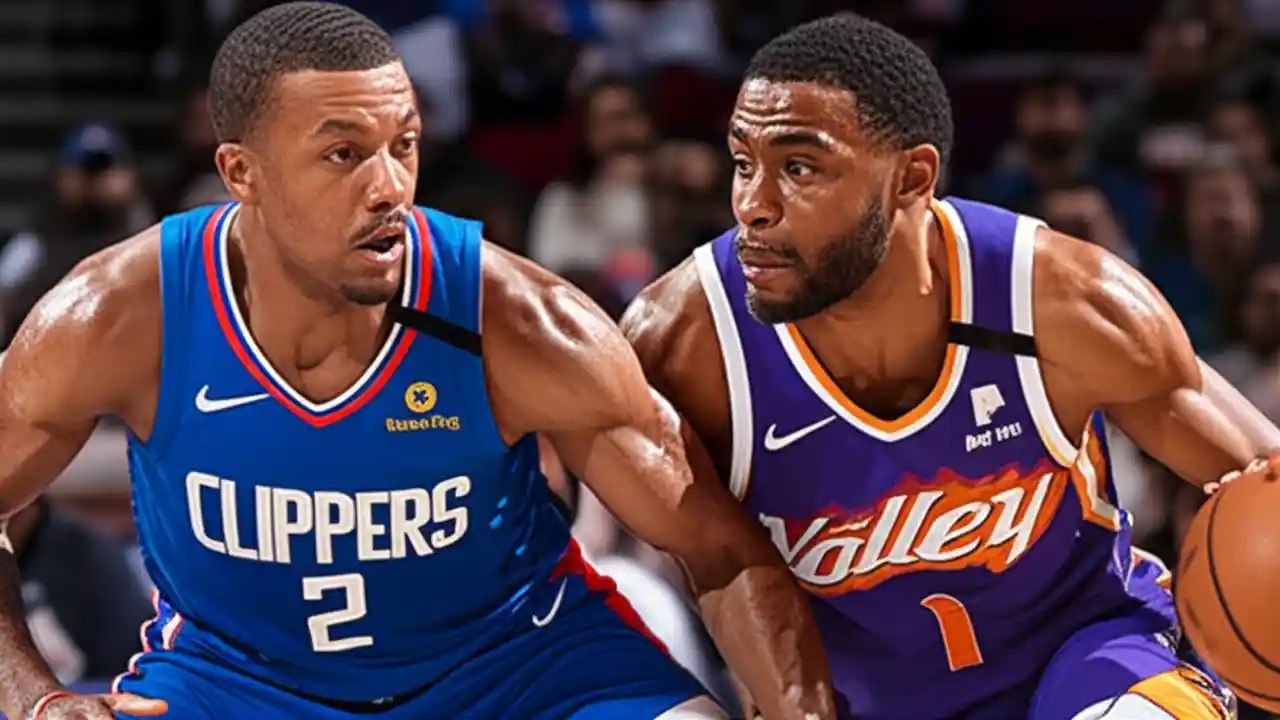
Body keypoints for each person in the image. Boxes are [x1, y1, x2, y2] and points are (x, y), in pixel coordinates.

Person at [0, 4, 836, 720]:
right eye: (343, 154)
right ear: (240, 172)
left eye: (402, 145)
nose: (389, 186)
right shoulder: (121, 315)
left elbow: (720, 550)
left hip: (523, 676)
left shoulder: (517, 320)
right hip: (239, 688)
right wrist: (34, 697)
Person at [624, 13, 1280, 720]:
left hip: (1088, 660)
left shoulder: (1062, 304)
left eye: (799, 168)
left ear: (912, 177)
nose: (753, 205)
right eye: (743, 163)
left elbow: (1261, 475)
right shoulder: (687, 343)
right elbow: (715, 567)